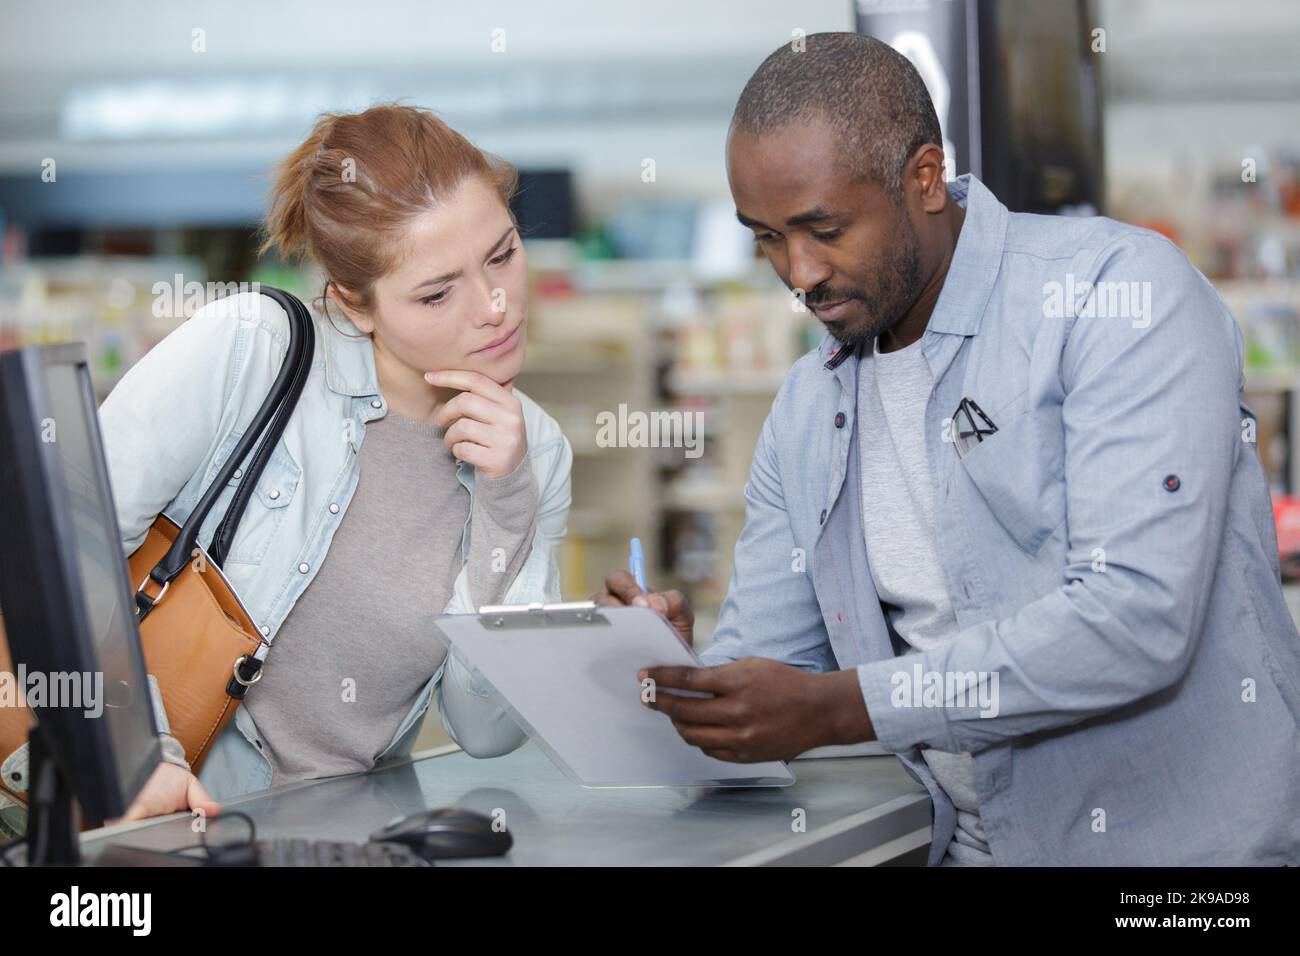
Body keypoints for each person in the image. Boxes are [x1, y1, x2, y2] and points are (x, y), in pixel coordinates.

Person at [598, 33, 1300, 866]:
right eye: (766, 238)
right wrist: (695, 683)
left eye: (823, 228)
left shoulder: (1115, 298)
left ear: (924, 178)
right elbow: (776, 665)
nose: (799, 272)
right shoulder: (806, 407)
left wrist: (838, 707)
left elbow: (1136, 617)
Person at [100, 104, 572, 819]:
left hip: (354, 833)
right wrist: (135, 754)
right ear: (355, 303)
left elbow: (486, 730)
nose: (496, 307)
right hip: (176, 813)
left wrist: (507, 503)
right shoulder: (250, 350)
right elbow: (58, 556)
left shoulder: (535, 449)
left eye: (502, 254)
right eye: (437, 292)